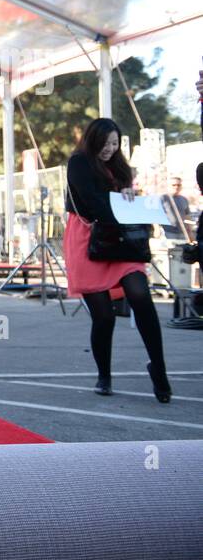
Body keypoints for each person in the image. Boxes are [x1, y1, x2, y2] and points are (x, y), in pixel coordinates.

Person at [63, 118, 171, 402]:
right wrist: (119, 202)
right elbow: (91, 202)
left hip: (120, 241)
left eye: (115, 143)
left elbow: (123, 199)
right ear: (93, 139)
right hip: (88, 239)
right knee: (104, 317)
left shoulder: (120, 166)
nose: (111, 148)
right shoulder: (78, 163)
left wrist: (129, 197)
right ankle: (104, 375)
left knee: (140, 295)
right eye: (106, 143)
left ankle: (159, 368)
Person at [161, 177, 192, 241]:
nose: (176, 187)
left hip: (183, 232)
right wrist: (156, 229)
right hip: (168, 232)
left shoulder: (184, 199)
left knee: (183, 250)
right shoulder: (163, 198)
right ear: (168, 186)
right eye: (173, 185)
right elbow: (156, 215)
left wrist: (190, 232)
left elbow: (187, 216)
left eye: (179, 185)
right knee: (172, 250)